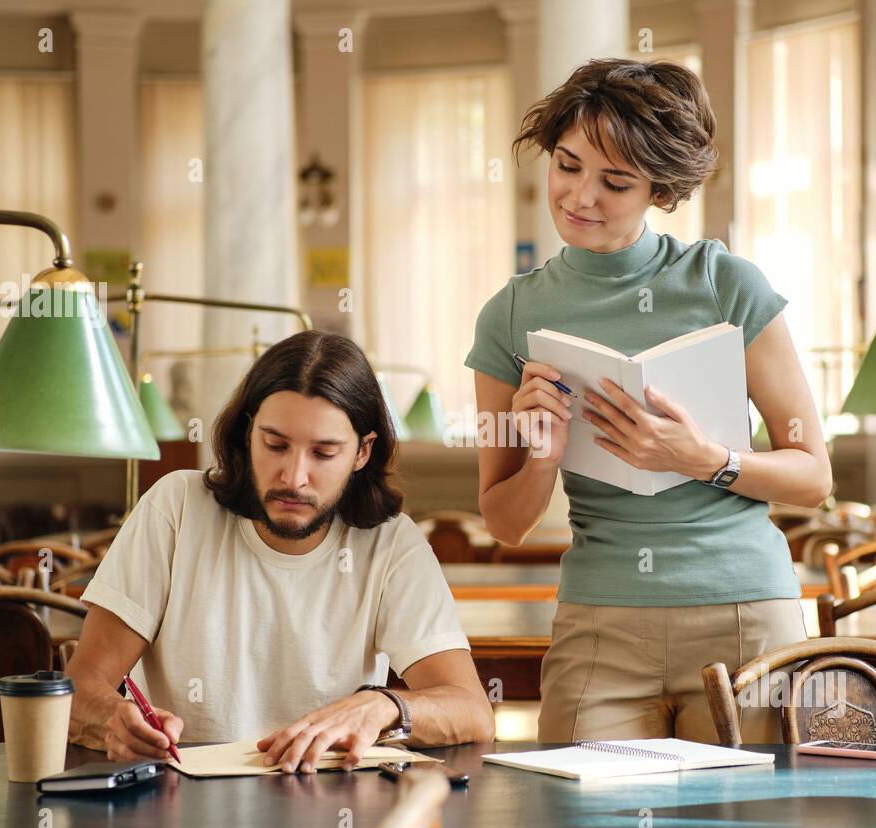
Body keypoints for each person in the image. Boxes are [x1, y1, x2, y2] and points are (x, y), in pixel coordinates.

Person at [465, 58, 831, 744]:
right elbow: (504, 523)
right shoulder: (509, 317)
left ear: (660, 190)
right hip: (600, 624)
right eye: (567, 165)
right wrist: (542, 460)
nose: (580, 195)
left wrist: (706, 459)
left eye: (615, 181)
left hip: (745, 613)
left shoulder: (729, 287)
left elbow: (815, 476)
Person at [68, 330, 495, 771]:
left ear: (363, 452)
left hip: (328, 808)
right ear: (247, 432)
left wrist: (383, 706)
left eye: (324, 453)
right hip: (181, 804)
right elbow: (81, 684)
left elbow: (473, 713)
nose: (294, 477)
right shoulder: (175, 507)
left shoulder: (391, 544)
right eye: (275, 445)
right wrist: (113, 723)